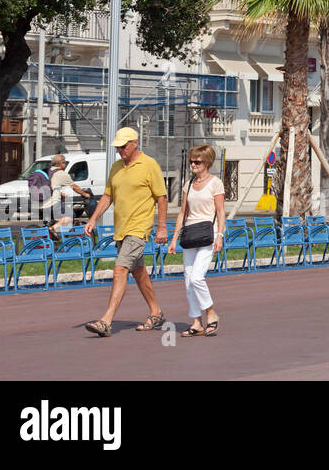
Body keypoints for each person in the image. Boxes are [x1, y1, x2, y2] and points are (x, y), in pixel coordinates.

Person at [82, 129, 168, 337]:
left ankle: (106, 320)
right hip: (121, 230)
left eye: (123, 146)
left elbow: (161, 197)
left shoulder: (149, 165)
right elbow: (107, 196)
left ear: (135, 143)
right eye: (118, 147)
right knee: (138, 272)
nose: (120, 150)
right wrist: (93, 219)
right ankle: (156, 312)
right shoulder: (117, 167)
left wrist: (162, 227)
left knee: (120, 269)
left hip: (139, 229)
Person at [168, 145, 224, 337]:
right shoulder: (189, 184)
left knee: (197, 277)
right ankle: (196, 322)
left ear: (207, 163)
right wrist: (174, 238)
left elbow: (220, 211)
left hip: (208, 234)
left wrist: (220, 236)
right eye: (192, 161)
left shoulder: (216, 183)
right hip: (190, 234)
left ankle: (210, 312)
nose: (193, 164)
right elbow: (183, 212)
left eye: (197, 161)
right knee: (188, 281)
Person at [41, 154, 93, 235]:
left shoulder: (48, 171)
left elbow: (52, 187)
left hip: (43, 204)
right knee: (71, 215)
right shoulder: (61, 174)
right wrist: (86, 195)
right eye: (64, 162)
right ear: (61, 163)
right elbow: (75, 187)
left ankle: (53, 234)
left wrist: (61, 194)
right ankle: (53, 228)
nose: (65, 164)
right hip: (52, 204)